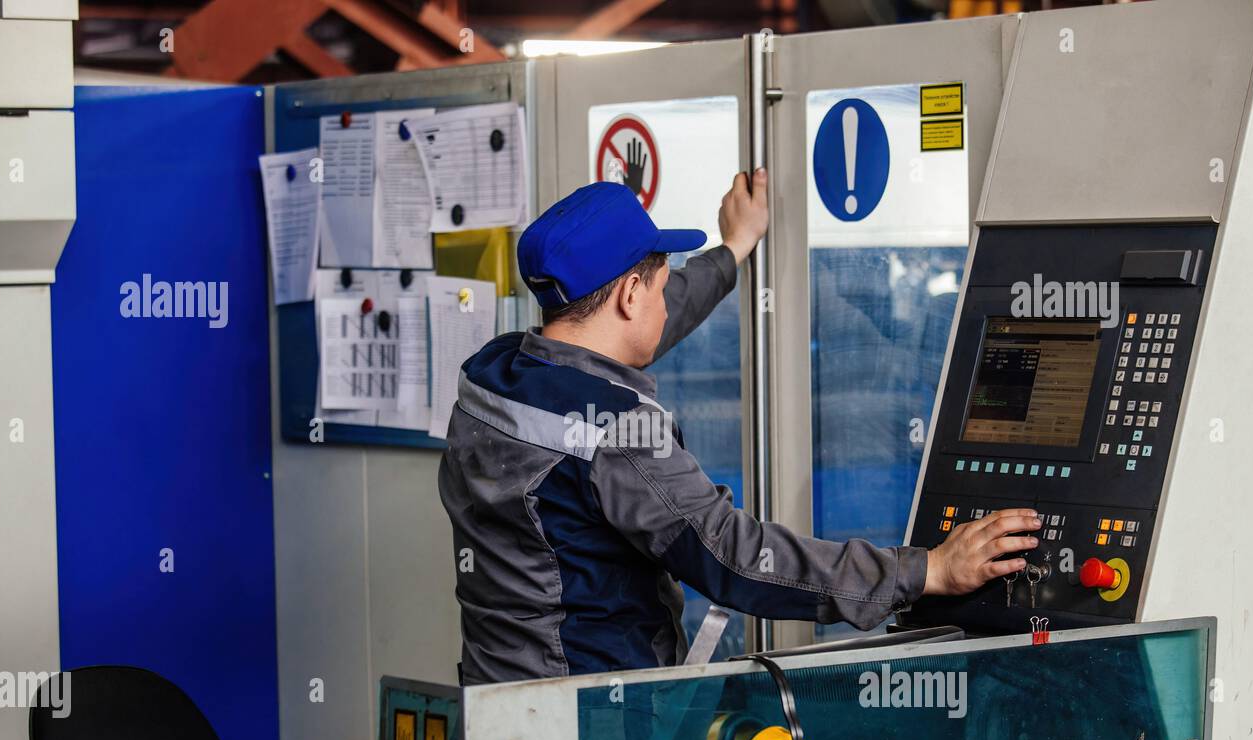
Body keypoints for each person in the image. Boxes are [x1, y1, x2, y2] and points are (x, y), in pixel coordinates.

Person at [438, 169, 1039, 685]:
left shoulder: (493, 375)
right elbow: (734, 556)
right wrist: (923, 570)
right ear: (626, 294)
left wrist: (733, 250)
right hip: (589, 723)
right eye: (657, 283)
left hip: (494, 697)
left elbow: (621, 343)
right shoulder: (617, 434)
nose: (667, 299)